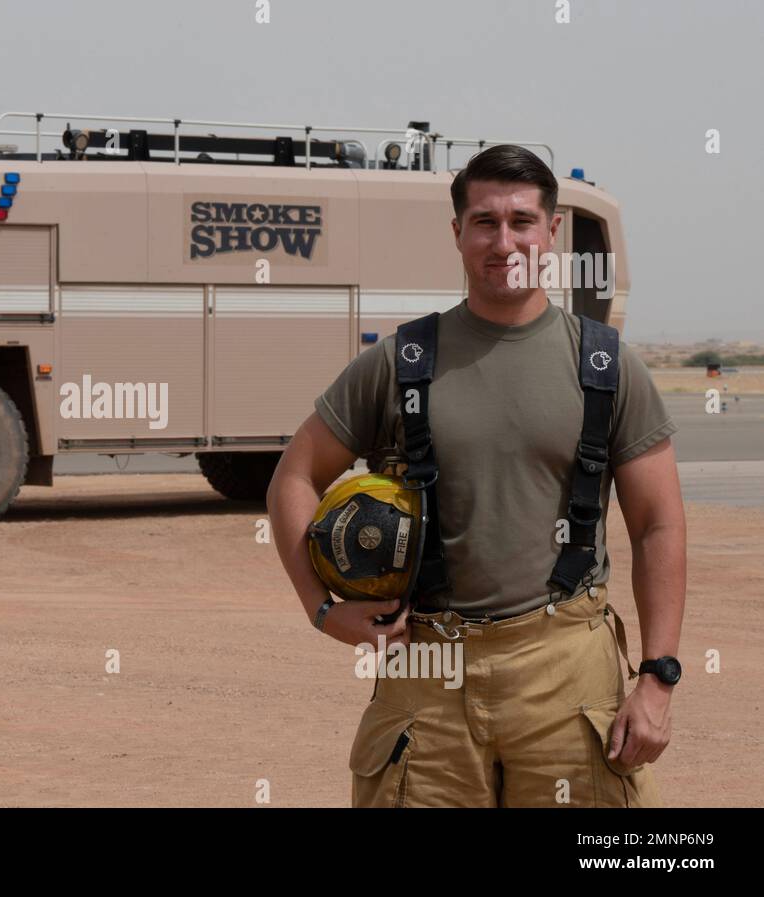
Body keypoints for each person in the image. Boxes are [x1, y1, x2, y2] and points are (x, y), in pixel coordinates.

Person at [266, 145, 686, 807]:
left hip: (567, 672)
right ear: (457, 232)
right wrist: (323, 610)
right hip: (427, 670)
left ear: (552, 232)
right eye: (485, 221)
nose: (504, 239)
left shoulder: (605, 365)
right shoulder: (402, 361)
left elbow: (658, 524)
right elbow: (293, 477)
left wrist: (657, 678)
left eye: (523, 221)